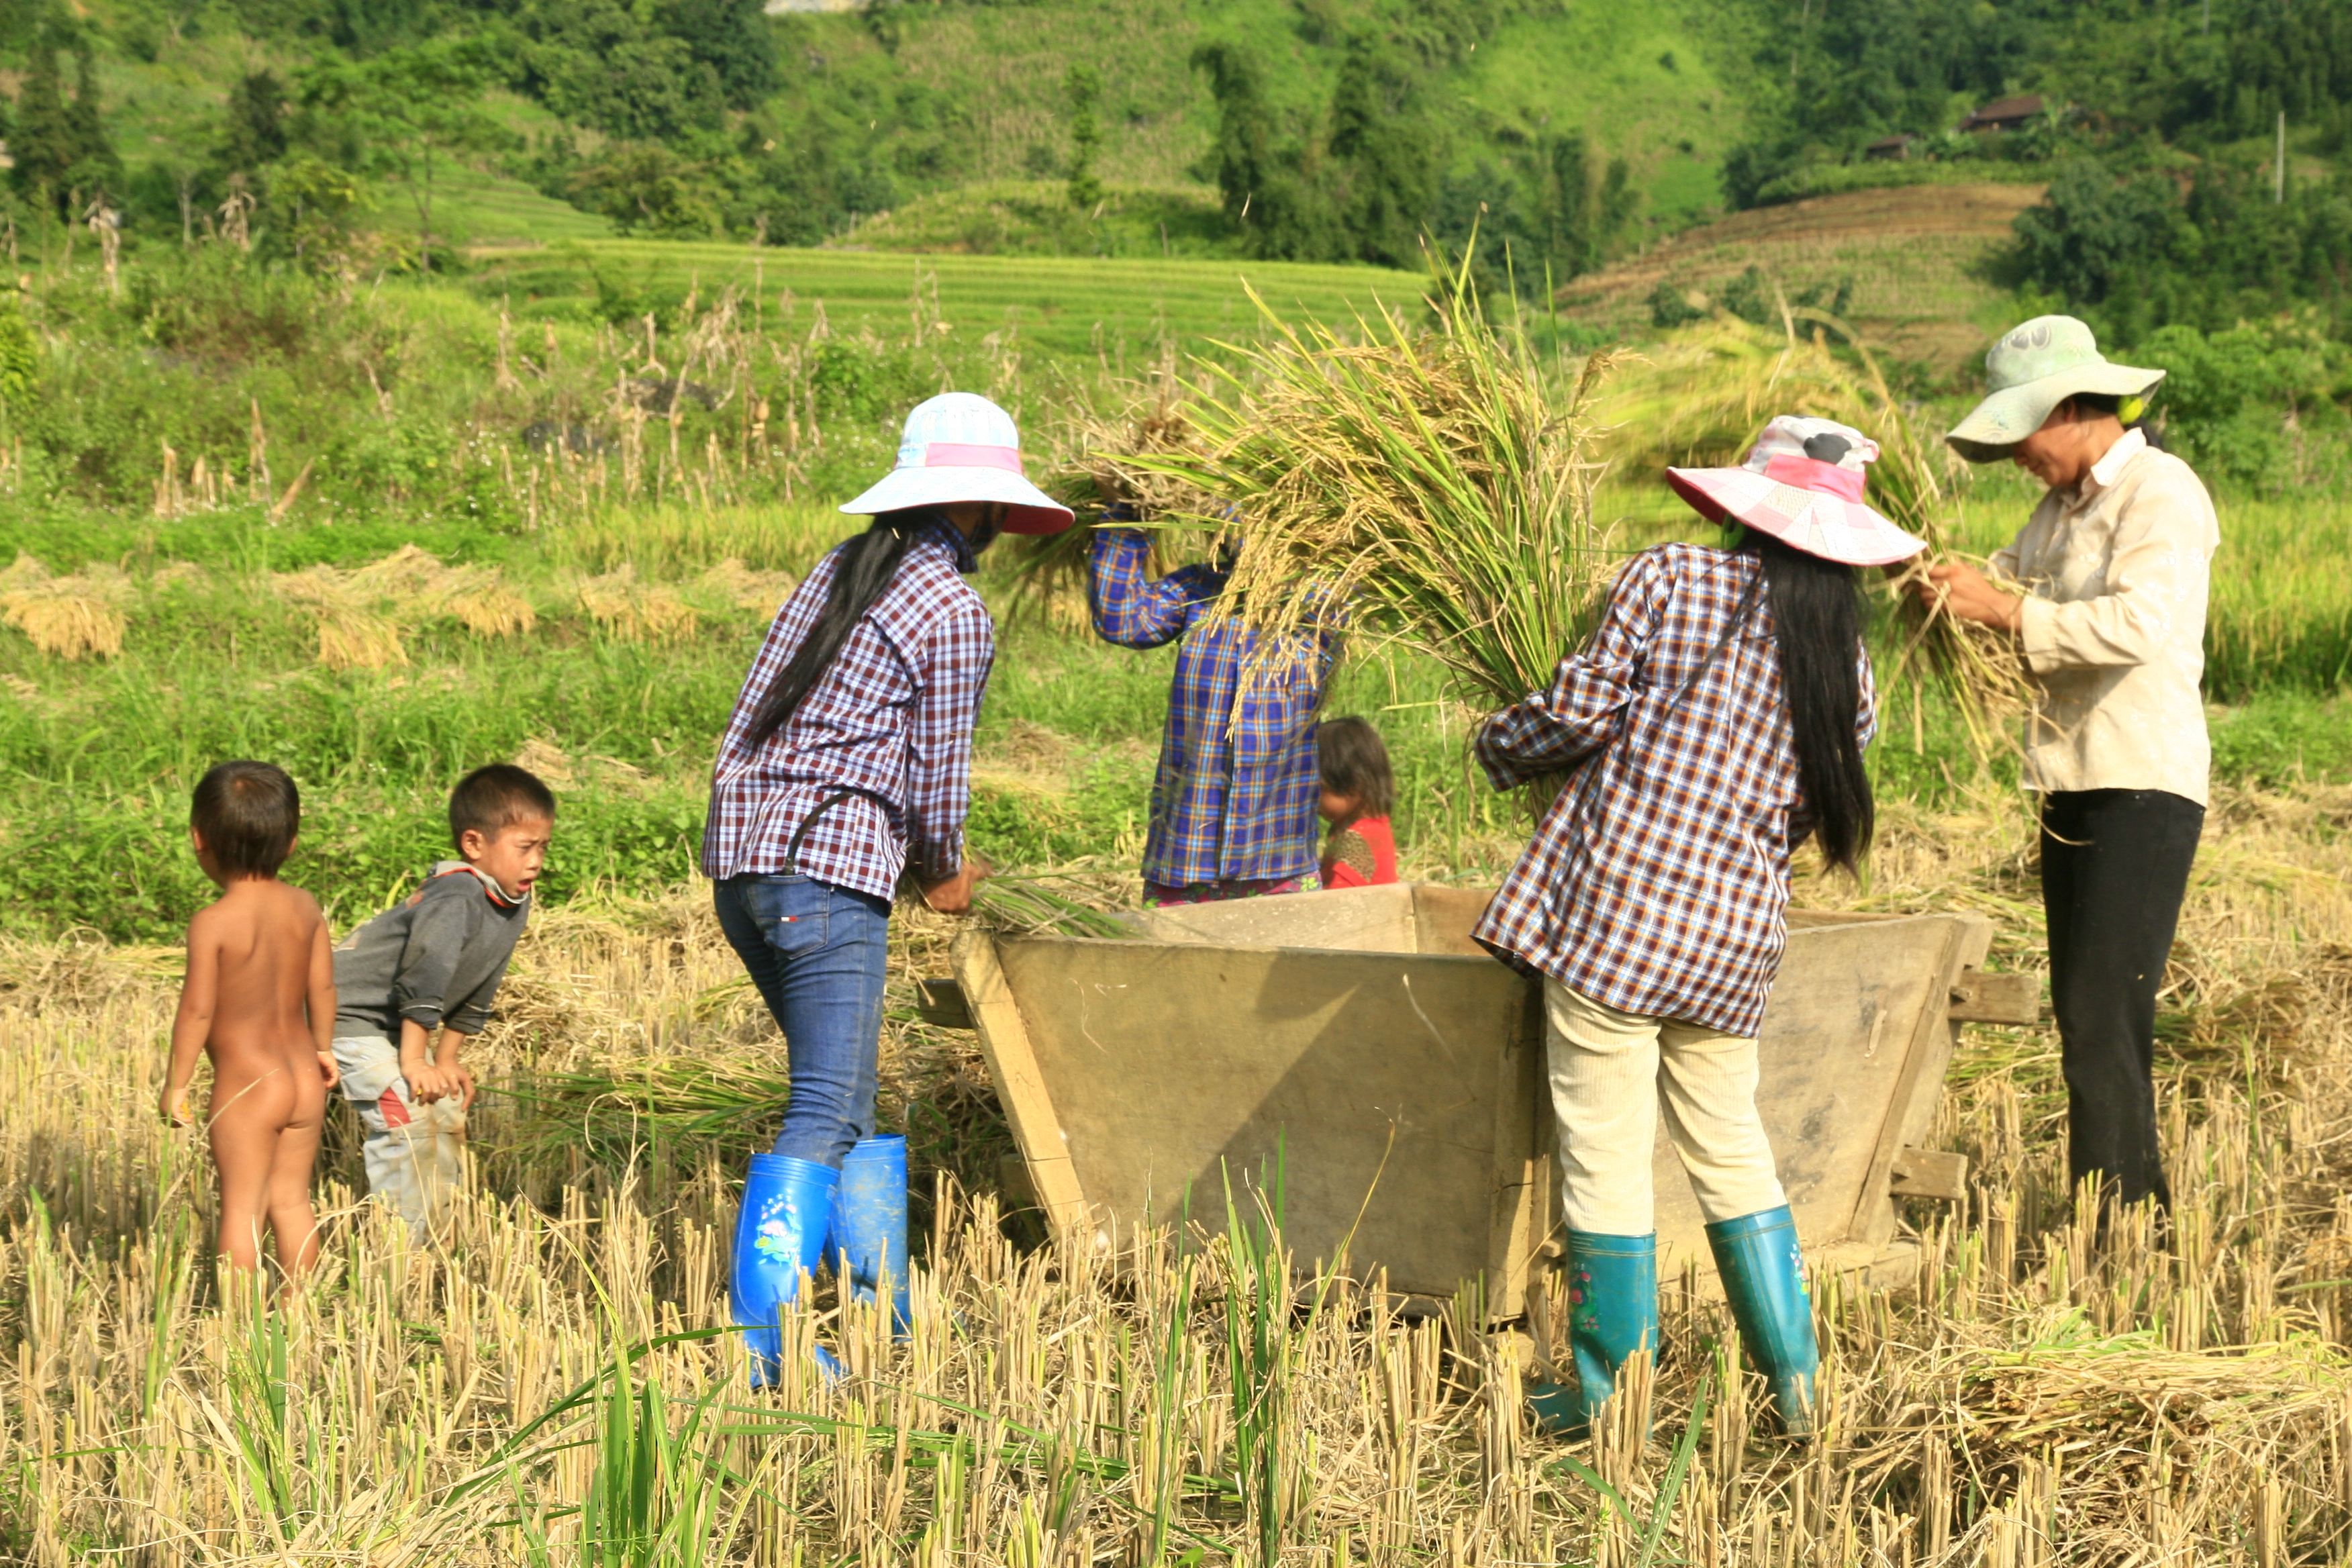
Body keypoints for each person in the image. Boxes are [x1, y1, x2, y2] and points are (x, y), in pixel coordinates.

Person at [1473, 416, 1924, 1440]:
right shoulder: (1844, 664)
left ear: (1748, 509)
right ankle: (1799, 1387)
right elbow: (1815, 806)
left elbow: (1581, 713)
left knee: (1606, 1153)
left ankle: (1605, 1393)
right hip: (1732, 943)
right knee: (1731, 1147)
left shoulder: (1672, 578)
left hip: (1618, 919)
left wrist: (1500, 739)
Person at [705, 391, 1073, 1385]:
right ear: (985, 508)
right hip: (825, 875)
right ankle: (760, 1346)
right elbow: (936, 775)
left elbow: (752, 726)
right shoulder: (951, 608)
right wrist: (944, 870)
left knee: (853, 1095)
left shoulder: (840, 571)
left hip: (745, 867)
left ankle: (884, 1314)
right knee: (825, 1103)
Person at [1925, 315, 2217, 1221]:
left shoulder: (2161, 493)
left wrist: (2002, 616)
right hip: (2071, 783)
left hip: (2143, 781)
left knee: (2102, 1015)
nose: (2017, 453)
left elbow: (2138, 626)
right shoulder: (2059, 510)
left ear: (2074, 407)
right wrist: (1945, 585)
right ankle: (2128, 1212)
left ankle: (2123, 1225)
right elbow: (2007, 578)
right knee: (2085, 1009)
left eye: (2023, 431)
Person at [330, 765, 554, 1231]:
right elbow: (425, 978)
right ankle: (401, 1252)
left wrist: (446, 1059)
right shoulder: (456, 895)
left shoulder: (513, 901)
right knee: (406, 1116)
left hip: (396, 1024)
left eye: (543, 847)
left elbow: (481, 984)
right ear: (474, 844)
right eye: (525, 848)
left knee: (446, 1110)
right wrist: (416, 1062)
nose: (536, 861)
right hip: (350, 1018)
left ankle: (434, 1235)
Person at [1089, 509, 1335, 905]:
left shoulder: (1321, 600)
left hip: (1278, 860)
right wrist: (1126, 512)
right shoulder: (1197, 588)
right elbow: (1121, 621)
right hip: (1186, 857)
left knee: (1285, 967)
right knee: (1180, 966)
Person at [162, 761, 339, 1281]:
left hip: (249, 1086)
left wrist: (177, 1084)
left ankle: (241, 1334)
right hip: (305, 1077)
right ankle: (297, 1312)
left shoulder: (213, 924)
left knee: (243, 1208)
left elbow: (197, 1010)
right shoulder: (305, 906)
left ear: (200, 840)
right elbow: (324, 987)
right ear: (291, 843)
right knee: (291, 1201)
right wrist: (325, 1049)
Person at [1316, 715, 1398, 889]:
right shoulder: (1371, 827)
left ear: (1355, 785)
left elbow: (1338, 900)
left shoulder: (1359, 839)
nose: (1313, 801)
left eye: (1320, 790)